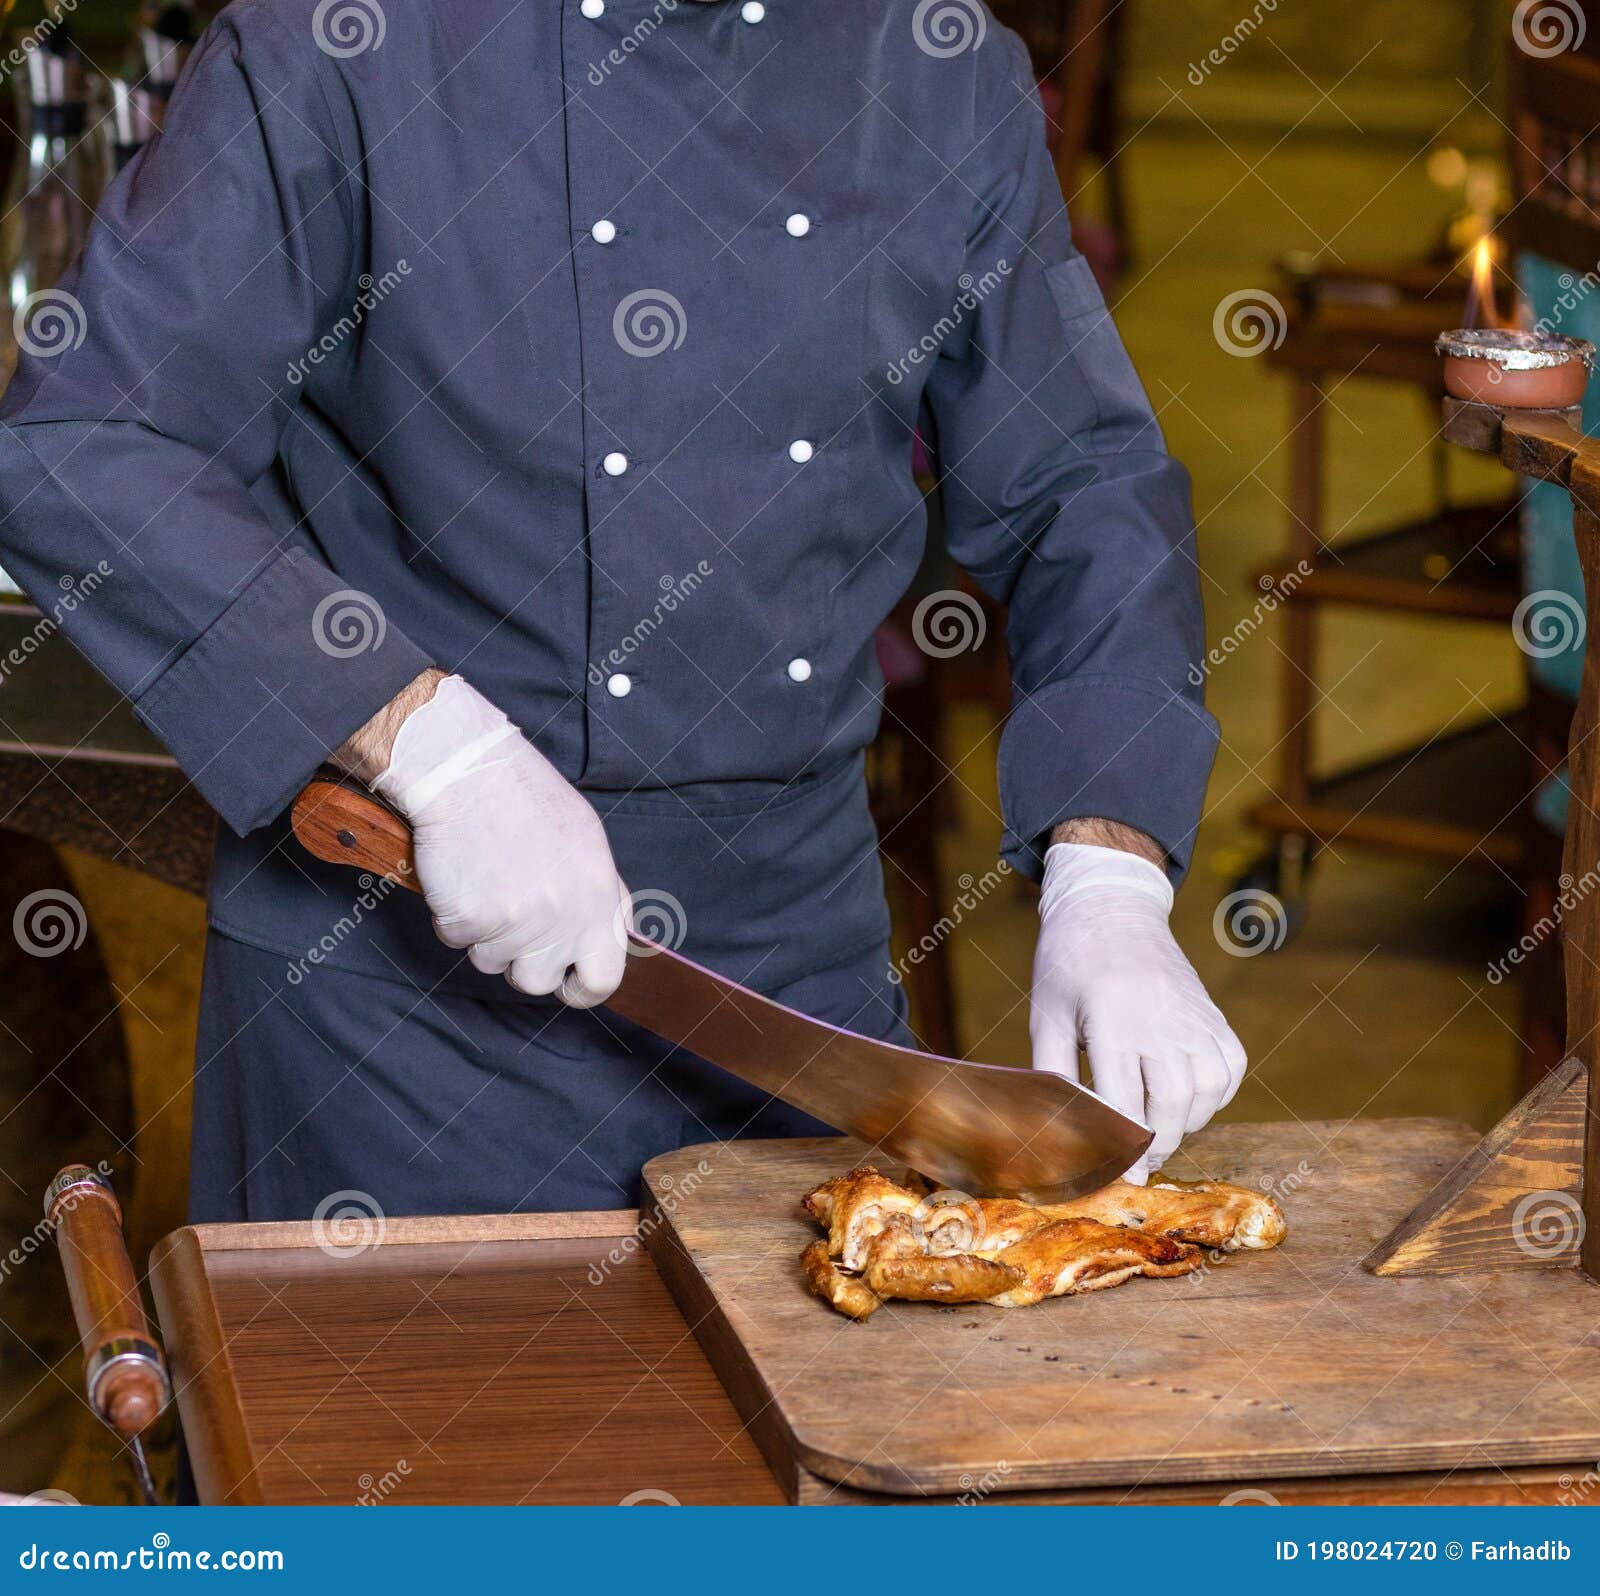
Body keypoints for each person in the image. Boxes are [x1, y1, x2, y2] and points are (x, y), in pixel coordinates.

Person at [0, 0, 1244, 1223]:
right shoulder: (332, 45)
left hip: (794, 1002)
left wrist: (1108, 871)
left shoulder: (938, 63)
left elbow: (1082, 486)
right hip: (390, 1002)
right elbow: (87, 444)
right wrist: (426, 742)